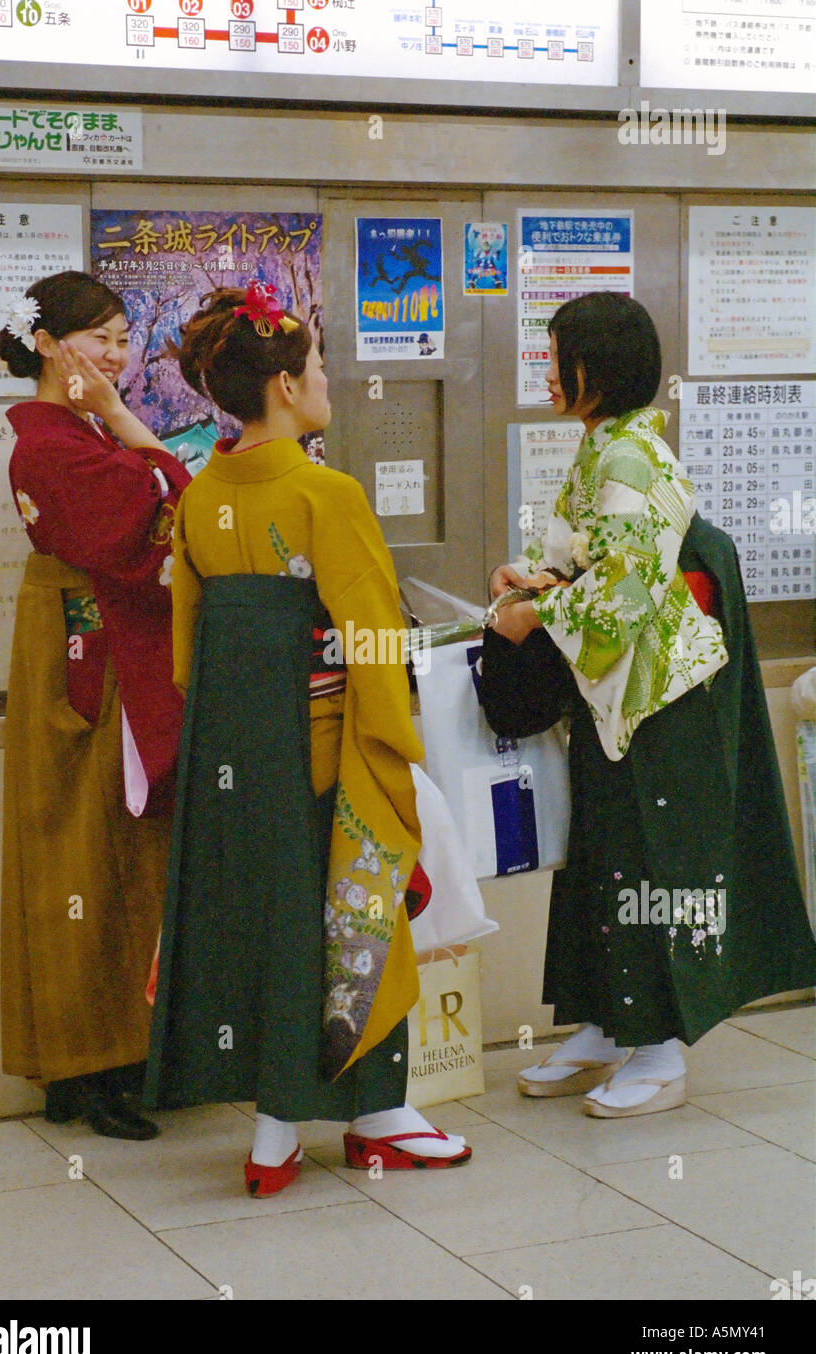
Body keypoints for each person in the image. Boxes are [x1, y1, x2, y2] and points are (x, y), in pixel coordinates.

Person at [144, 282, 471, 1193]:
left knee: (271, 928)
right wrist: (392, 749)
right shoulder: (325, 493)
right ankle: (379, 1120)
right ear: (285, 387)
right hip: (326, 746)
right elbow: (370, 638)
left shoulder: (201, 498)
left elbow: (185, 652)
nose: (326, 379)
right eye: (318, 365)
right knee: (356, 917)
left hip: (234, 753)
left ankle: (276, 1129)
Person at [489, 291, 816, 1118]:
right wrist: (531, 577)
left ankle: (661, 1047)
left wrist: (538, 613)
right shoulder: (608, 446)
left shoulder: (628, 459)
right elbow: (585, 557)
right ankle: (606, 1020)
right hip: (625, 685)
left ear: (590, 369)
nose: (546, 370)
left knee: (648, 859)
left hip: (661, 692)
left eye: (555, 353)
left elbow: (628, 591)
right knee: (602, 850)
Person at [0, 270, 191, 1139]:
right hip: (83, 657)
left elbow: (172, 501)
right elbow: (156, 514)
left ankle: (119, 1055)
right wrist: (125, 431)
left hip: (103, 646)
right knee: (77, 858)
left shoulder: (71, 432)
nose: (116, 358)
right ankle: (83, 1066)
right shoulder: (46, 443)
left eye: (123, 339)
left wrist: (119, 426)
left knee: (114, 854)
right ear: (46, 344)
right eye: (99, 339)